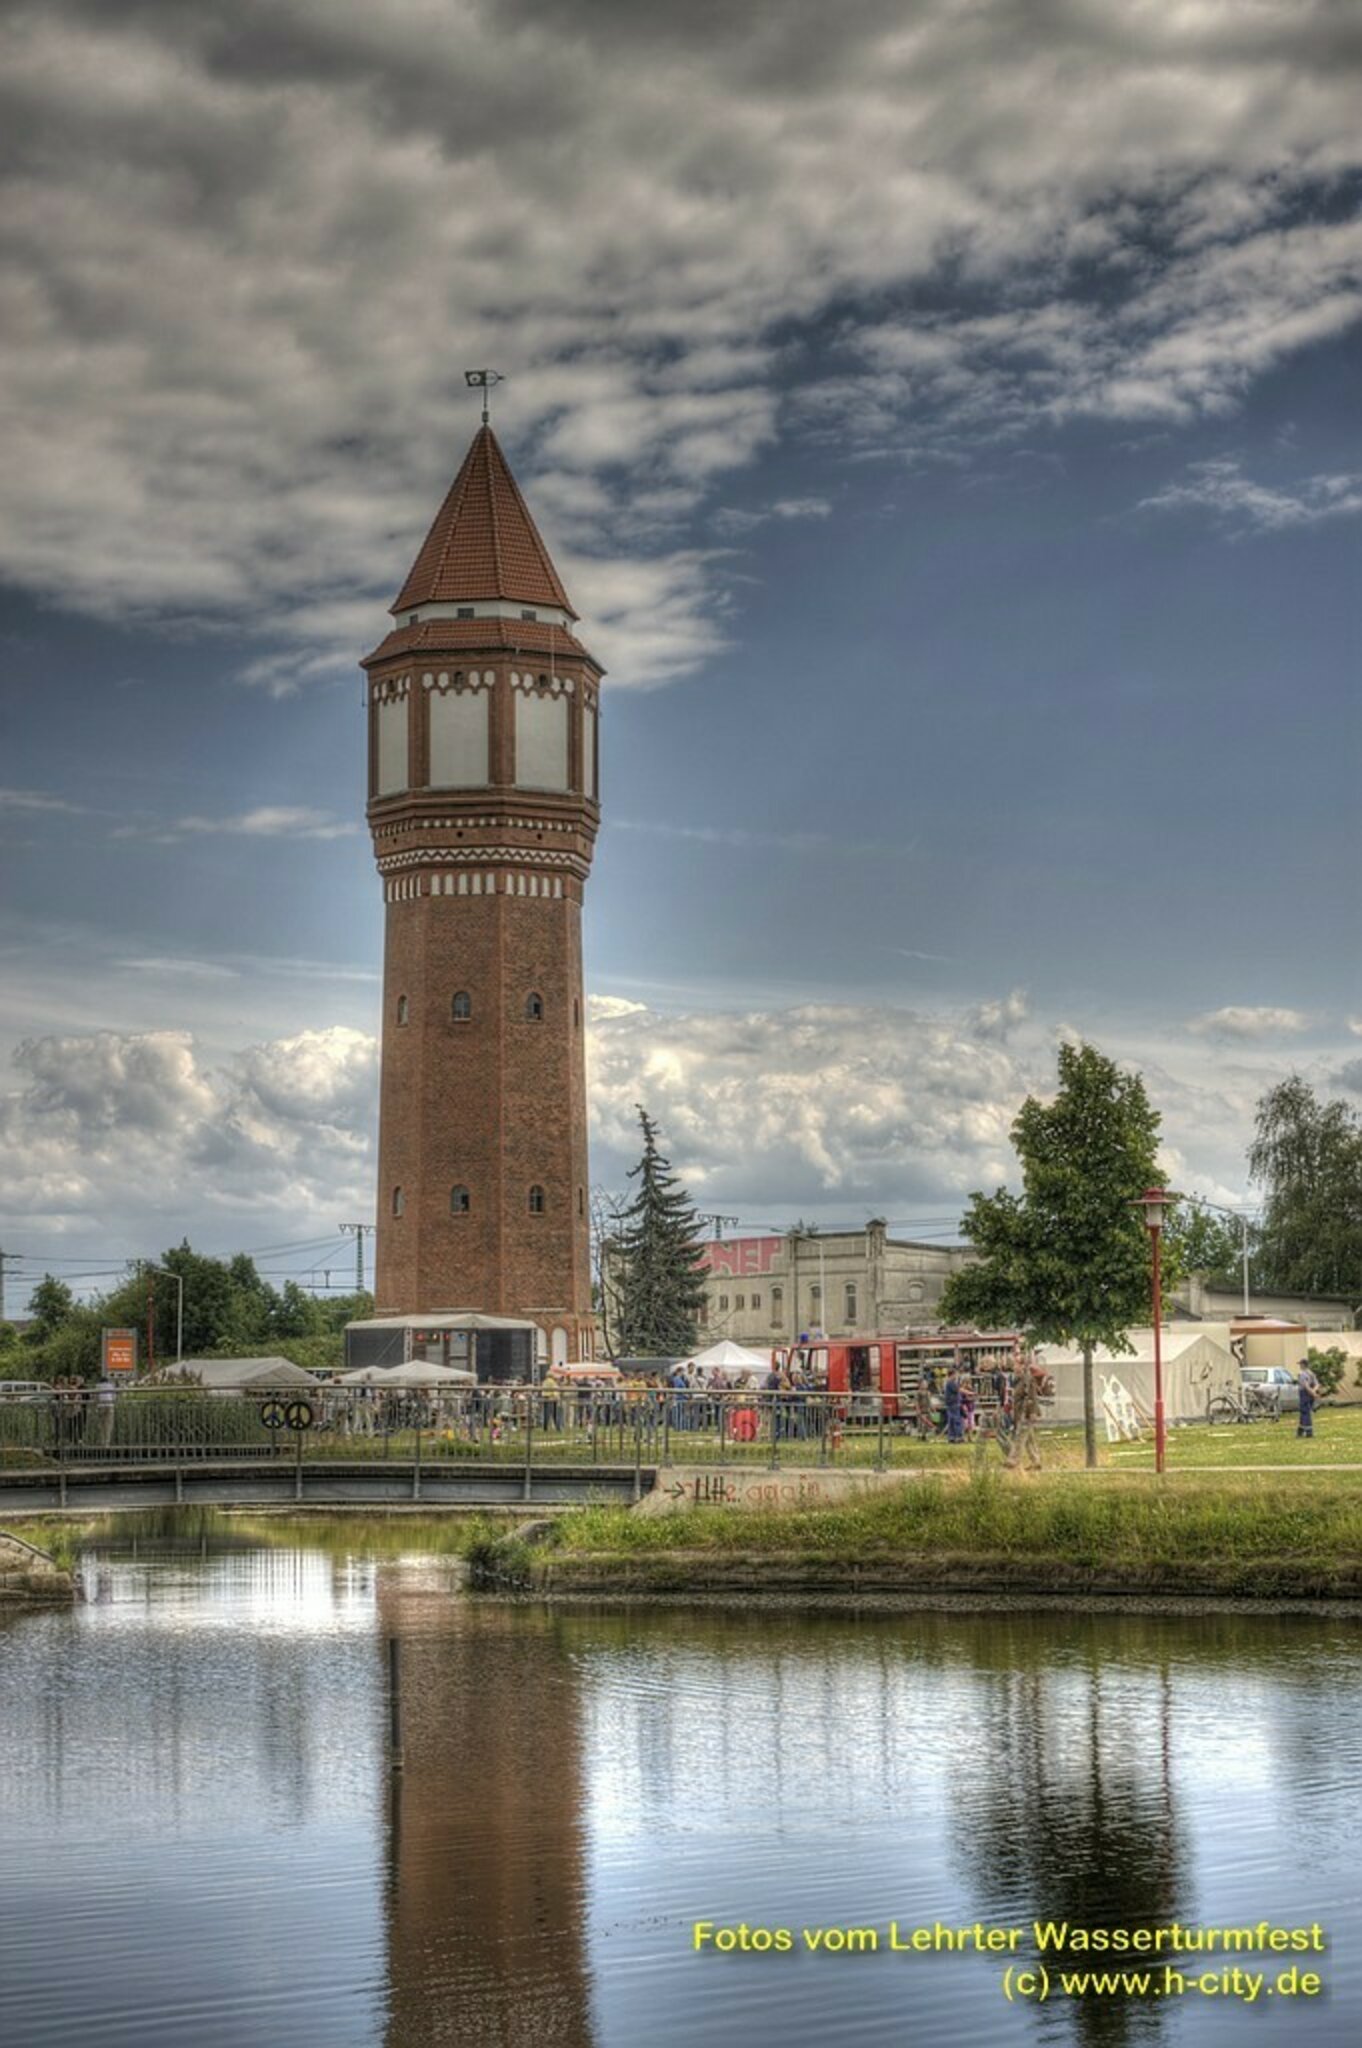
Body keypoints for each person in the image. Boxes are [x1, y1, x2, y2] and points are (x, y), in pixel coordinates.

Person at [1005, 1364, 1043, 1471]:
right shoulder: (1018, 1381)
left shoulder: (1028, 1380)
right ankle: (1036, 1461)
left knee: (1020, 1436)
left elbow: (1032, 1397)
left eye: (1017, 1366)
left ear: (1023, 1367)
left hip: (1026, 1413)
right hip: (1020, 1413)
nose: (1015, 1369)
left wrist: (1032, 1412)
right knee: (1029, 1439)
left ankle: (1013, 1460)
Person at [1296, 1357, 1320, 1439]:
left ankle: (1309, 1432)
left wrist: (1312, 1393)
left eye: (1300, 1364)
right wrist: (1314, 1392)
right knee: (1304, 1413)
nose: (1299, 1366)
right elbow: (1317, 1384)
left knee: (1305, 1413)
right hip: (1310, 1394)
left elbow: (1306, 1386)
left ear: (1303, 1365)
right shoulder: (1311, 1373)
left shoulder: (1302, 1374)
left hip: (1304, 1394)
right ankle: (1300, 1431)